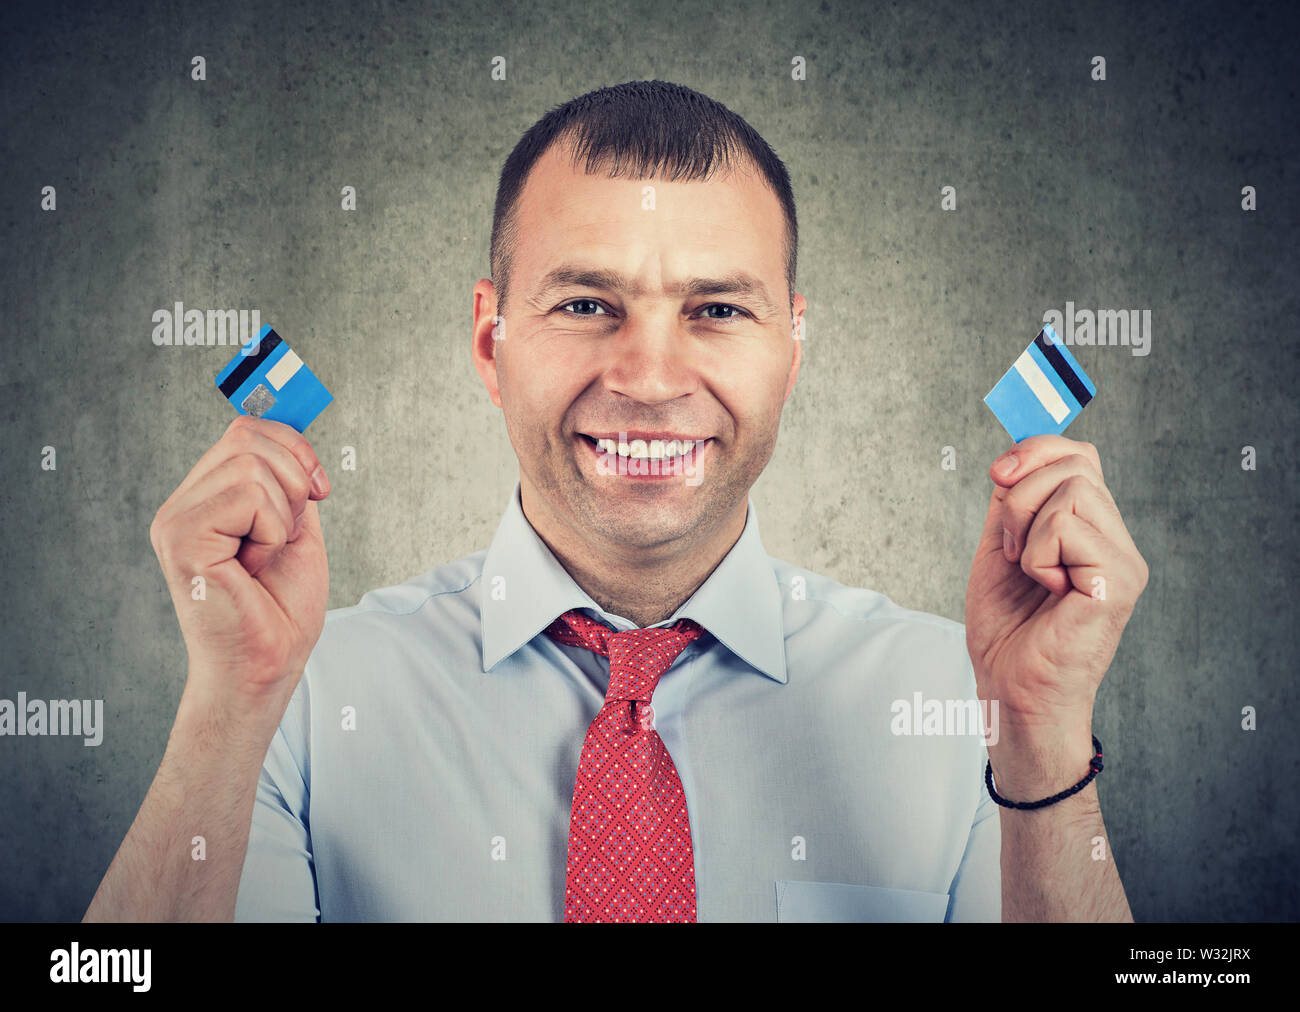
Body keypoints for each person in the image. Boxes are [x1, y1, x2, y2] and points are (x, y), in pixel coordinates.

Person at [84, 80, 1147, 923]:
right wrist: (229, 705)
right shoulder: (305, 695)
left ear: (791, 346)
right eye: (586, 303)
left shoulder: (957, 696)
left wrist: (1043, 731)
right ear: (488, 340)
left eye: (718, 308)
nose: (647, 374)